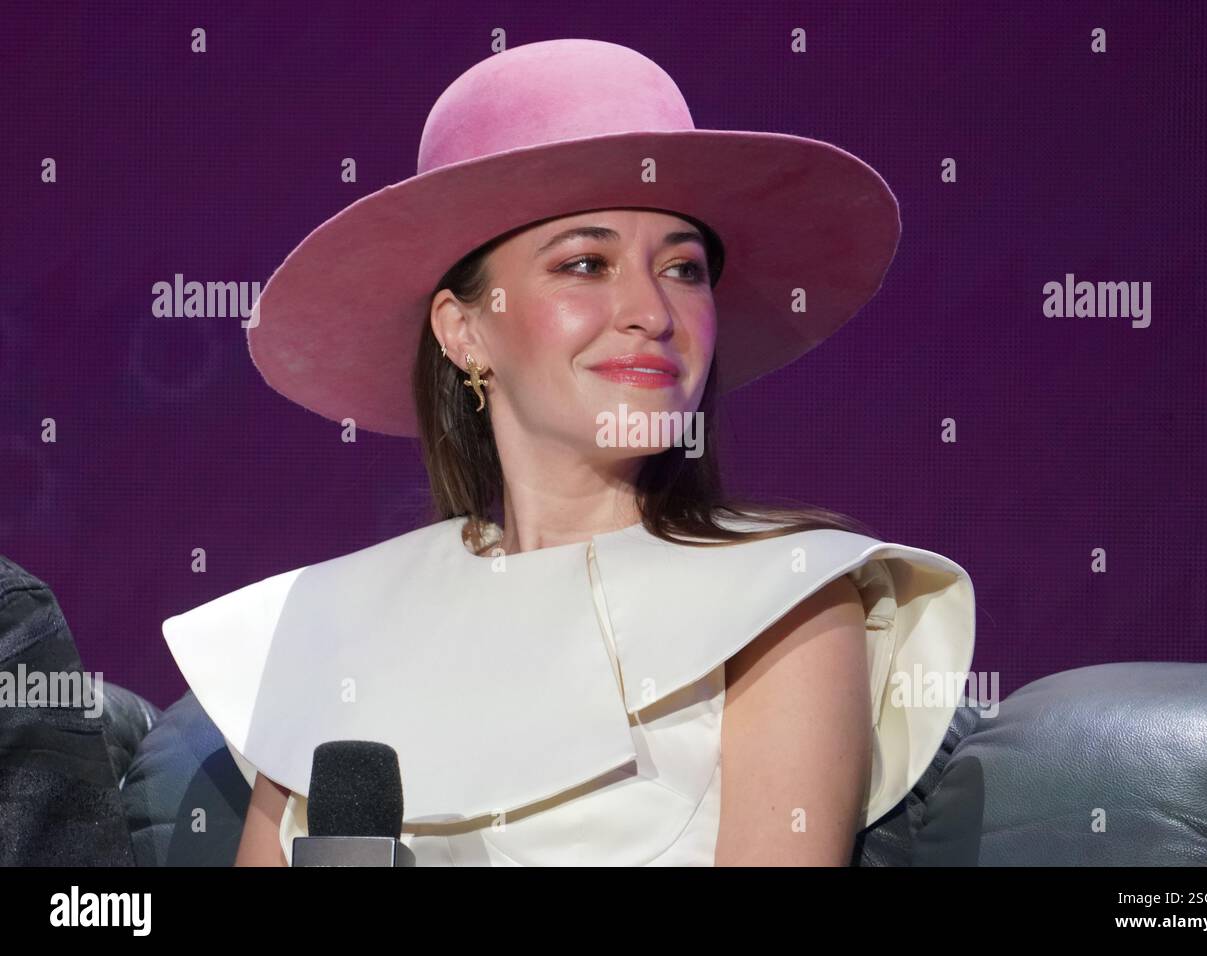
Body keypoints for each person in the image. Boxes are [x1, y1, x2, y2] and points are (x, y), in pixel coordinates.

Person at [161, 38, 976, 867]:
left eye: (684, 270)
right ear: (464, 329)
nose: (651, 311)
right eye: (587, 263)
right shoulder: (331, 620)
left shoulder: (785, 600)